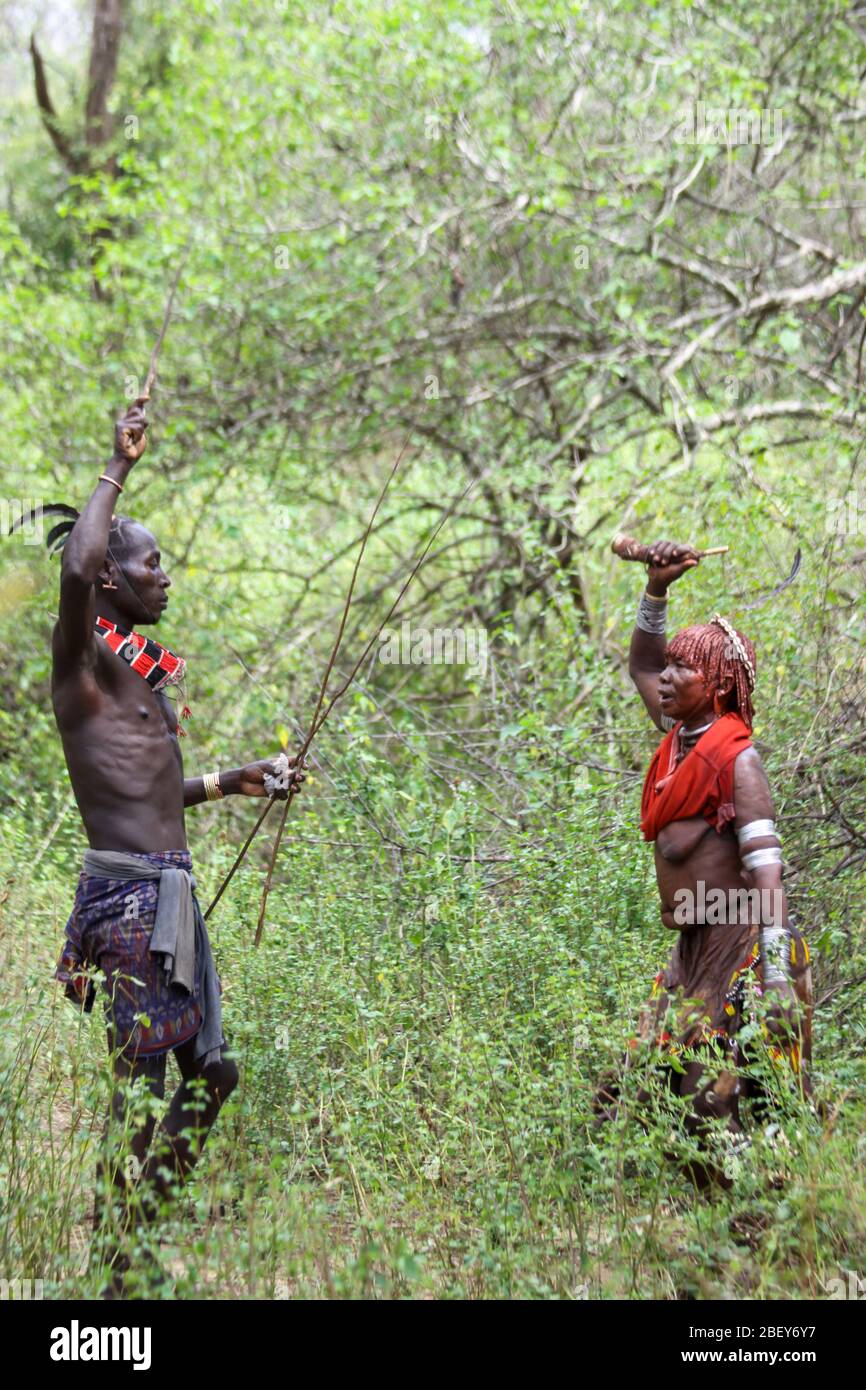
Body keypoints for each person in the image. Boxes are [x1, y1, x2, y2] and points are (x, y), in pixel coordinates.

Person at [48, 400, 304, 1295]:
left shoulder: (137, 680)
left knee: (215, 1072)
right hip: (129, 903)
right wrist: (116, 469)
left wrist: (232, 781)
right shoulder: (80, 666)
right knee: (141, 1095)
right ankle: (114, 1282)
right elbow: (76, 566)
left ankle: (134, 1251)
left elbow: (149, 796)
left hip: (170, 895)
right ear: (112, 579)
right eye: (152, 563)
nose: (166, 578)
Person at [595, 540, 813, 1191]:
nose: (664, 677)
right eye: (669, 667)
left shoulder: (736, 760)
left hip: (739, 946)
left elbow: (768, 871)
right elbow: (638, 662)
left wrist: (777, 977)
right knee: (634, 1096)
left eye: (681, 669)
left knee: (709, 1102)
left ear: (715, 684)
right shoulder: (676, 745)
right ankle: (710, 1238)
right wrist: (655, 589)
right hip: (692, 950)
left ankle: (761, 1233)